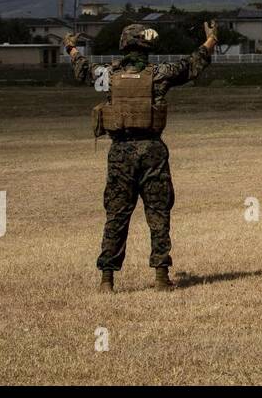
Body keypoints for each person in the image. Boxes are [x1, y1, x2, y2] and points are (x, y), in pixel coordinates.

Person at [64, 20, 218, 292]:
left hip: (120, 153)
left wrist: (70, 48)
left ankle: (107, 280)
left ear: (125, 45)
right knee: (158, 213)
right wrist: (211, 40)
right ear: (147, 45)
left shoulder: (108, 75)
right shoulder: (159, 74)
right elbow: (192, 65)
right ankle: (161, 277)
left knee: (116, 214)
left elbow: (83, 70)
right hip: (152, 152)